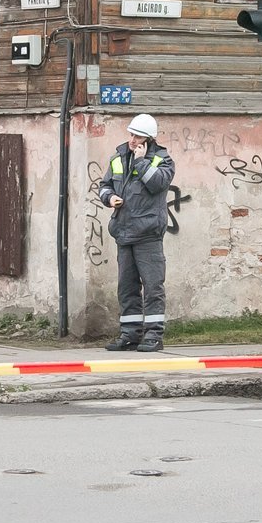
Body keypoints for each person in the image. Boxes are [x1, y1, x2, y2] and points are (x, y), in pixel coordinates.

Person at [97, 113, 175, 352]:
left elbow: (159, 184)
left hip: (148, 233)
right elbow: (104, 185)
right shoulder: (119, 158)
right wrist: (110, 198)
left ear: (149, 139)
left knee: (153, 286)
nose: (132, 140)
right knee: (127, 288)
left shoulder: (162, 160)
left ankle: (153, 337)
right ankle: (130, 334)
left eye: (138, 136)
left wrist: (141, 162)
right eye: (131, 134)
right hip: (123, 231)